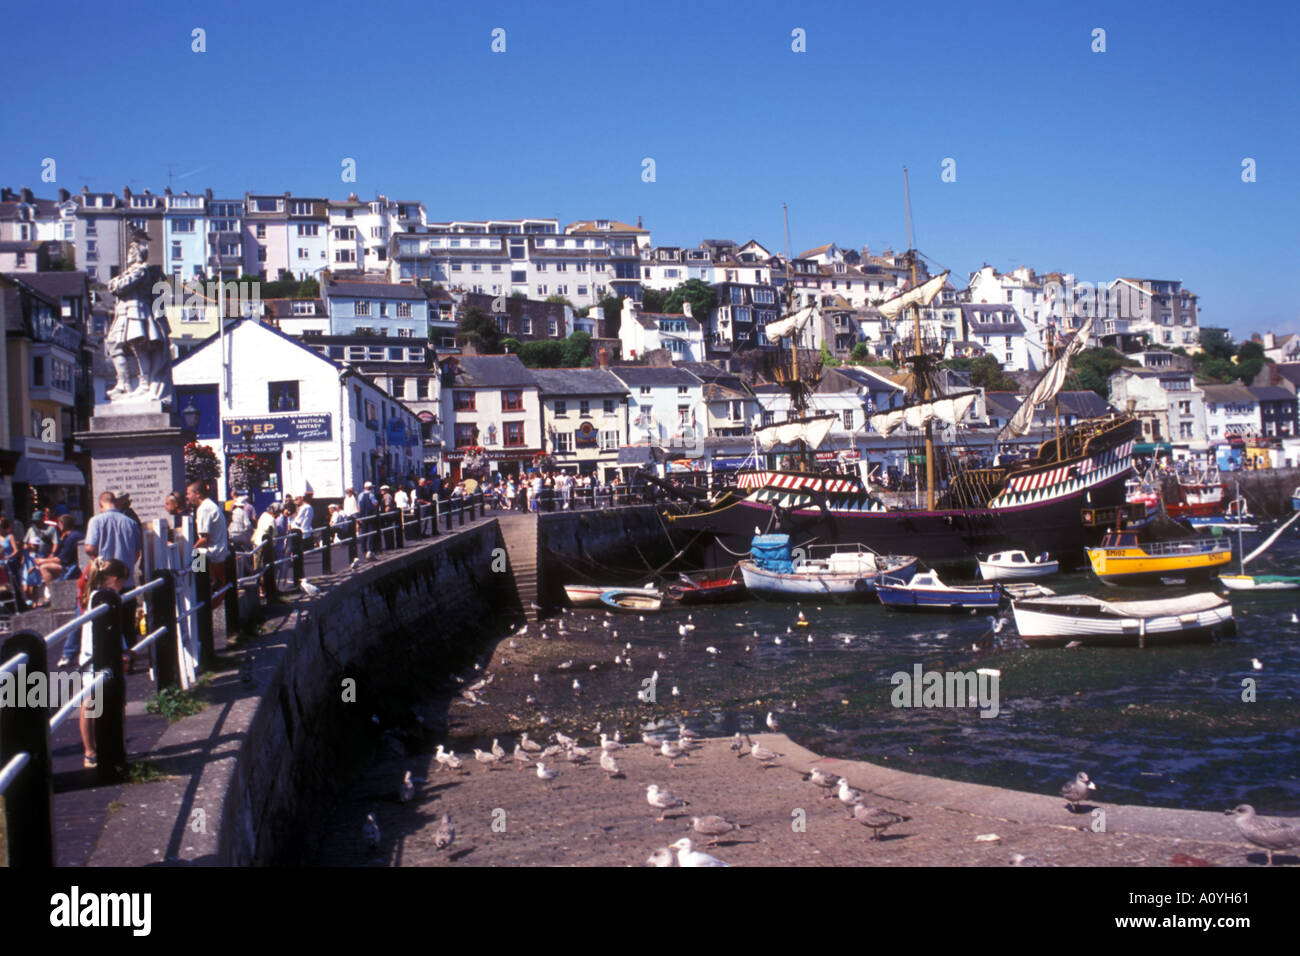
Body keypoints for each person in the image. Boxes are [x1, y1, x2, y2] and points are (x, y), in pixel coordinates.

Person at [75, 557, 130, 769]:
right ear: (114, 579)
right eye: (122, 581)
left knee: (97, 701)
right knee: (90, 703)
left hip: (99, 652)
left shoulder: (99, 595)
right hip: (94, 654)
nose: (123, 587)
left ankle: (99, 748)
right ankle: (89, 751)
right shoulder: (103, 597)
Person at [186, 480, 229, 587]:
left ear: (197, 494)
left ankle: (201, 588)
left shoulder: (204, 509)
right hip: (220, 552)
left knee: (192, 566)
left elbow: (204, 539)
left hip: (212, 554)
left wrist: (189, 551)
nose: (187, 496)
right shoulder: (211, 505)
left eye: (188, 493)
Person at [37, 514, 83, 586]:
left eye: (59, 524)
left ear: (62, 525)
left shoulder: (71, 538)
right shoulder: (69, 535)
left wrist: (42, 560)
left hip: (72, 566)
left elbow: (59, 559)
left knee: (44, 567)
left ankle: (52, 591)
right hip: (69, 563)